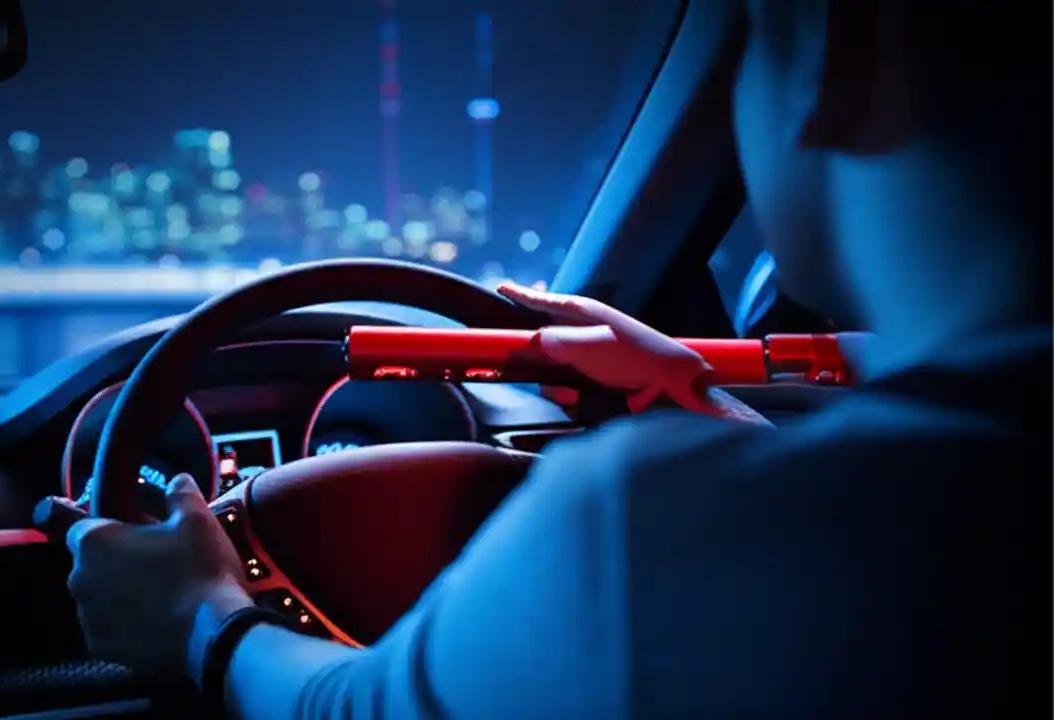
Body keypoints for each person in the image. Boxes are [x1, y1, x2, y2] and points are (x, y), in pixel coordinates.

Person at [65, 2, 1050, 716]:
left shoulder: (640, 536)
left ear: (838, 52)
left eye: (747, 48)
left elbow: (340, 710)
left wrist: (198, 614)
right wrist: (699, 399)